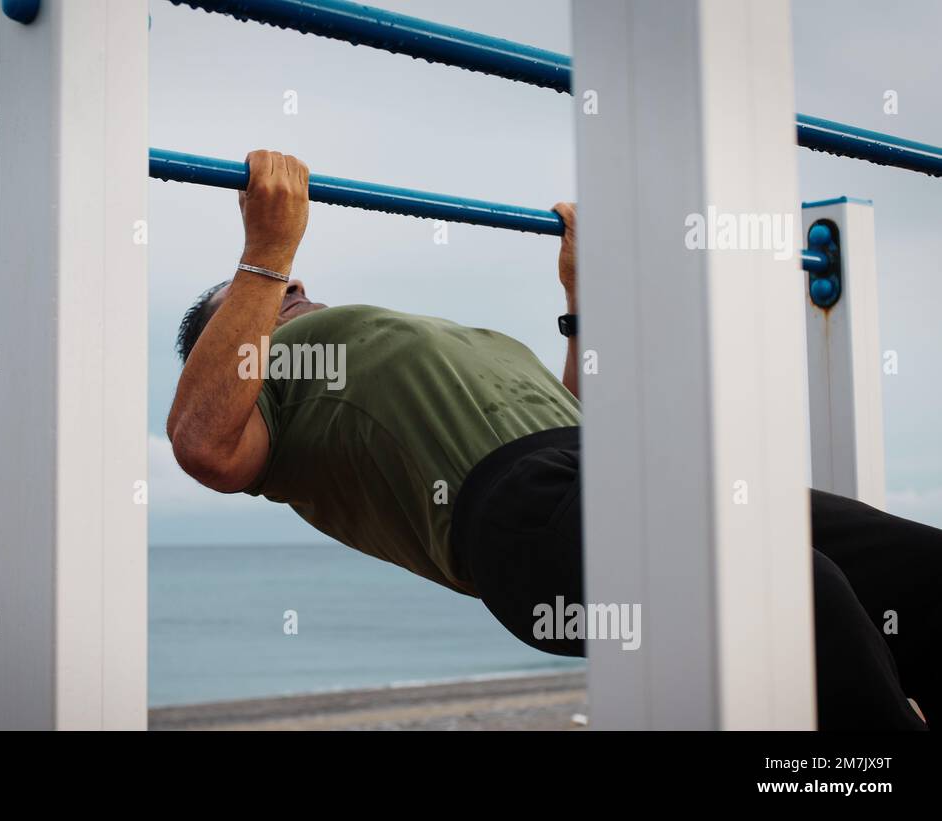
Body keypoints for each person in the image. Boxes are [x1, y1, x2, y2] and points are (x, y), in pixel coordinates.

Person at [166, 149, 937, 730]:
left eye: (293, 284)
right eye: (272, 296)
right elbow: (202, 443)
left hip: (601, 470)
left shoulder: (396, 336)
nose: (298, 289)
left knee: (918, 573)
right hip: (519, 515)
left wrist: (580, 301)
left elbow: (571, 417)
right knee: (795, 593)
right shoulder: (267, 386)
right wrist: (262, 257)